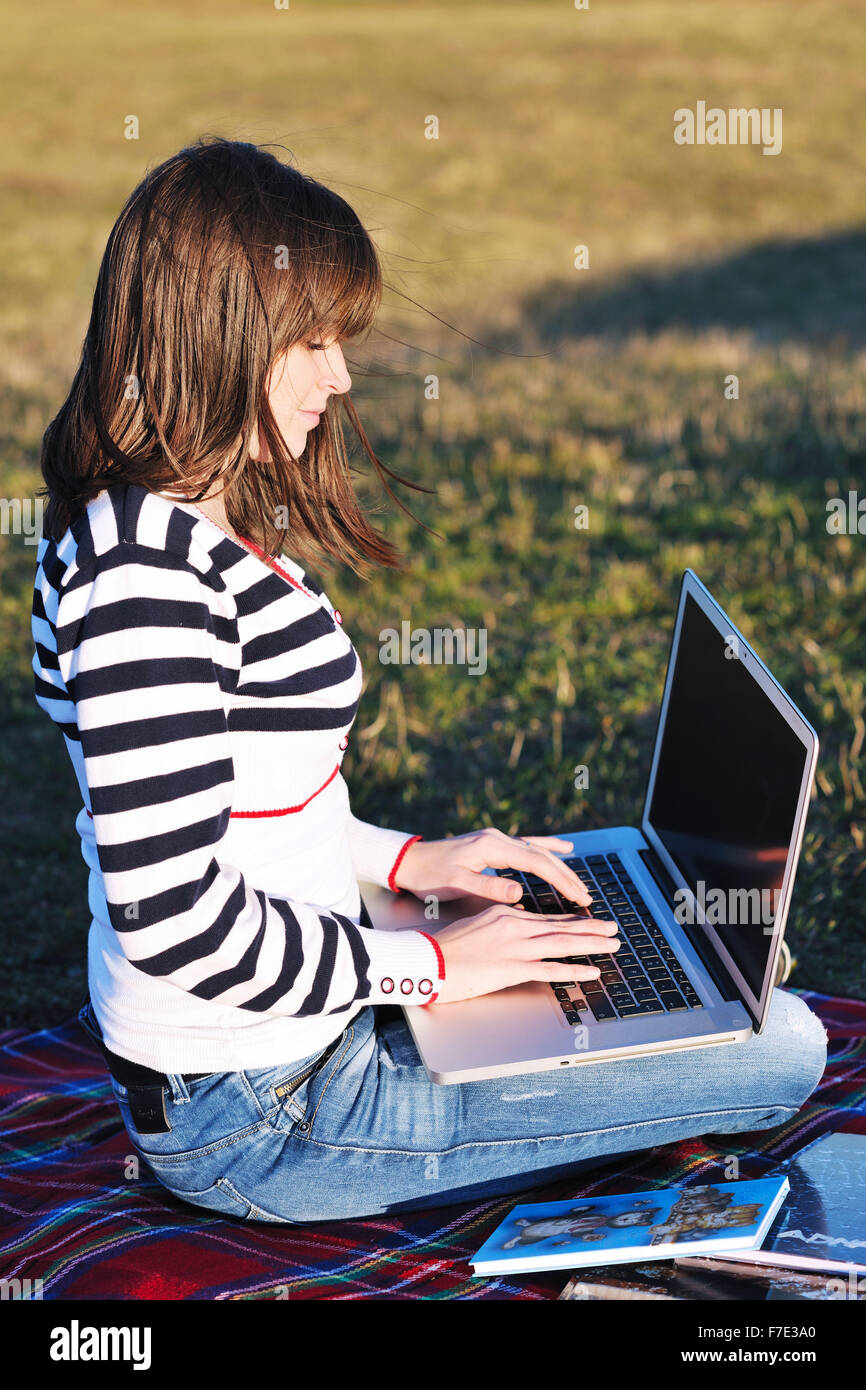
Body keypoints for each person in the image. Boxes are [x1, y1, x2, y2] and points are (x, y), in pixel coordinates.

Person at [32, 137, 827, 1225]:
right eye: (309, 340)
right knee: (782, 1047)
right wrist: (429, 967)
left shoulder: (180, 522)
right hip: (265, 1113)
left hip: (302, 1034)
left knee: (699, 999)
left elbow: (260, 813)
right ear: (212, 332)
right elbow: (175, 916)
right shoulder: (141, 583)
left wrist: (414, 861)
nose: (341, 375)